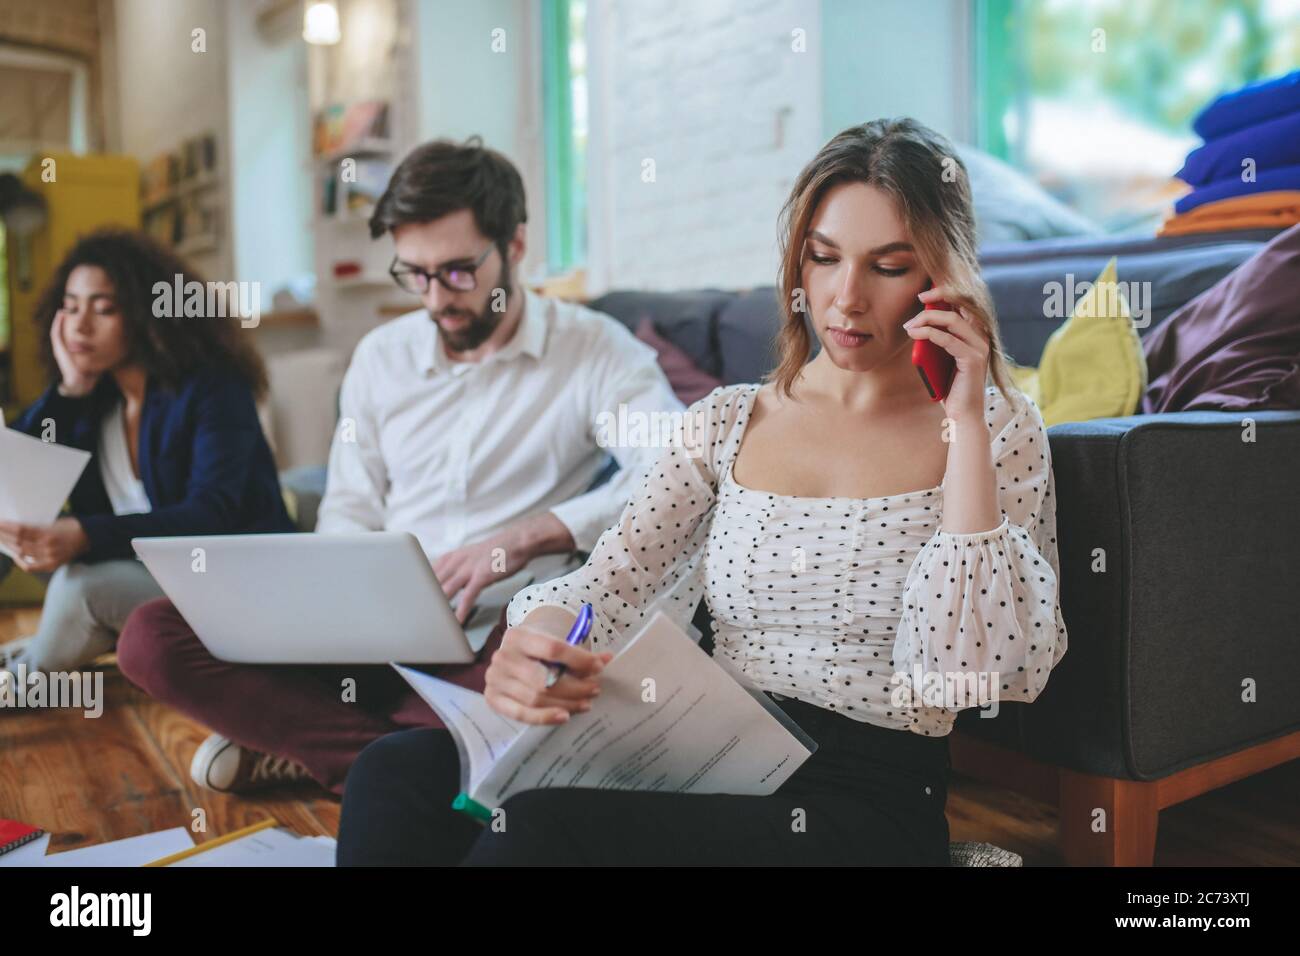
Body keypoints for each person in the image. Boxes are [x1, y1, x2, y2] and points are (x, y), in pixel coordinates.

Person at [336, 117, 1071, 866]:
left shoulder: (997, 432)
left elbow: (967, 675)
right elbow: (614, 579)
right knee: (395, 774)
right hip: (712, 751)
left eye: (888, 266)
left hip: (866, 795)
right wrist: (540, 638)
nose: (845, 300)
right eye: (823, 258)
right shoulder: (726, 421)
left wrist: (966, 424)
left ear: (941, 278)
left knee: (537, 836)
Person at [116, 136, 683, 795]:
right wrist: (331, 600)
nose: (435, 296)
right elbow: (350, 506)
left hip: (493, 640)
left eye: (458, 271)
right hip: (372, 636)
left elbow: (675, 471)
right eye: (414, 273)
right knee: (151, 636)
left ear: (516, 246)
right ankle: (419, 765)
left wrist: (529, 535)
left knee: (545, 672)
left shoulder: (593, 351)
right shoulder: (380, 358)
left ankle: (331, 749)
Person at [0, 229, 292, 679]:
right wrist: (69, 389)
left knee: (82, 586)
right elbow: (13, 480)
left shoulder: (212, 387)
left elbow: (212, 514)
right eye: (71, 306)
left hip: (225, 582)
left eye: (104, 309)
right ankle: (43, 654)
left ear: (146, 315)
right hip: (137, 577)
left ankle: (25, 676)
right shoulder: (94, 396)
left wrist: (85, 534)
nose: (80, 325)